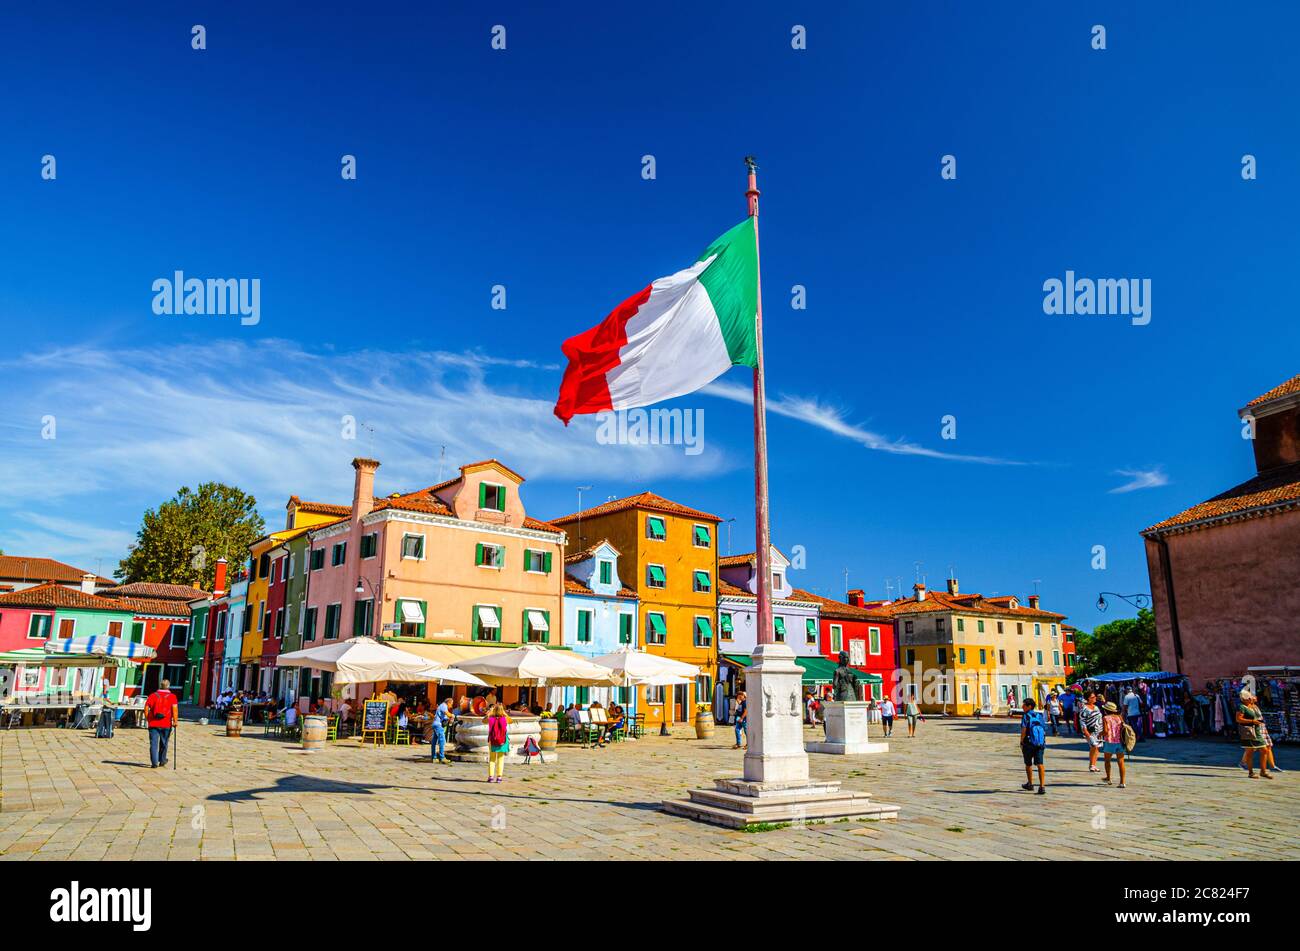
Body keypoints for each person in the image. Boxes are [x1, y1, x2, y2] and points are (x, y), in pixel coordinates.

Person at [144, 679, 179, 768]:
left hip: (153, 723)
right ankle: (162, 760)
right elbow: (174, 710)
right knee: (164, 743)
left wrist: (148, 718)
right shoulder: (172, 697)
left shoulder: (152, 695)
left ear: (160, 685)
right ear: (168, 686)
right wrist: (175, 721)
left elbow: (146, 708)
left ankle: (154, 762)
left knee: (153, 743)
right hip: (166, 723)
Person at [1236, 690, 1271, 779]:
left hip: (1257, 731)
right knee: (1250, 752)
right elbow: (1238, 719)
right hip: (1248, 732)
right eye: (1249, 698)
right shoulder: (1241, 707)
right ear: (1244, 699)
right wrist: (1252, 721)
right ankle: (1251, 772)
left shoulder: (1251, 706)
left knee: (1264, 750)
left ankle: (1263, 771)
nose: (1251, 699)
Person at [1018, 698, 1047, 794]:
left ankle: (1030, 784)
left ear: (1029, 706)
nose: (1022, 706)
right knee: (1040, 764)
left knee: (1028, 764)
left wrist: (1021, 741)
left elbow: (1024, 729)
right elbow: (1043, 728)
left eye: (1024, 705)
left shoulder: (1026, 716)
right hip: (1039, 742)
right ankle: (1042, 786)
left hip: (1029, 742)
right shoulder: (1039, 715)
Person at [1100, 701, 1128, 787]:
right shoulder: (1120, 717)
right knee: (1121, 761)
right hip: (1120, 741)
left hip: (1110, 742)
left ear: (1106, 710)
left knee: (1107, 760)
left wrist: (1099, 734)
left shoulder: (1105, 718)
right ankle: (1122, 782)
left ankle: (1108, 778)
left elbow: (1105, 731)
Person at [1079, 691, 1103, 772]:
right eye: (1092, 697)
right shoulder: (1084, 708)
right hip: (1090, 731)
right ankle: (1092, 765)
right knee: (1094, 746)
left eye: (1095, 697)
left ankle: (1093, 765)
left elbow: (1099, 719)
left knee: (1097, 748)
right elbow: (1082, 721)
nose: (1095, 698)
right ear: (1088, 698)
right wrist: (1085, 732)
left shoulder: (1096, 707)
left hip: (1098, 731)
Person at [485, 703, 510, 783]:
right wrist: (504, 713)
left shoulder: (491, 718)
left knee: (492, 759)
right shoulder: (504, 718)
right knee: (500, 758)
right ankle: (499, 777)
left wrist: (489, 713)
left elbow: (483, 720)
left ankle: (491, 777)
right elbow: (511, 721)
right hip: (502, 740)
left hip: (492, 740)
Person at [431, 696, 452, 764]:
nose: (451, 706)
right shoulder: (444, 705)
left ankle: (434, 757)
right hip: (438, 725)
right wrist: (453, 715)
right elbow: (448, 714)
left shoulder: (441, 706)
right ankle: (442, 757)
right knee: (442, 740)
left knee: (434, 741)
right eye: (451, 704)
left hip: (435, 724)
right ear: (448, 702)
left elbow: (445, 717)